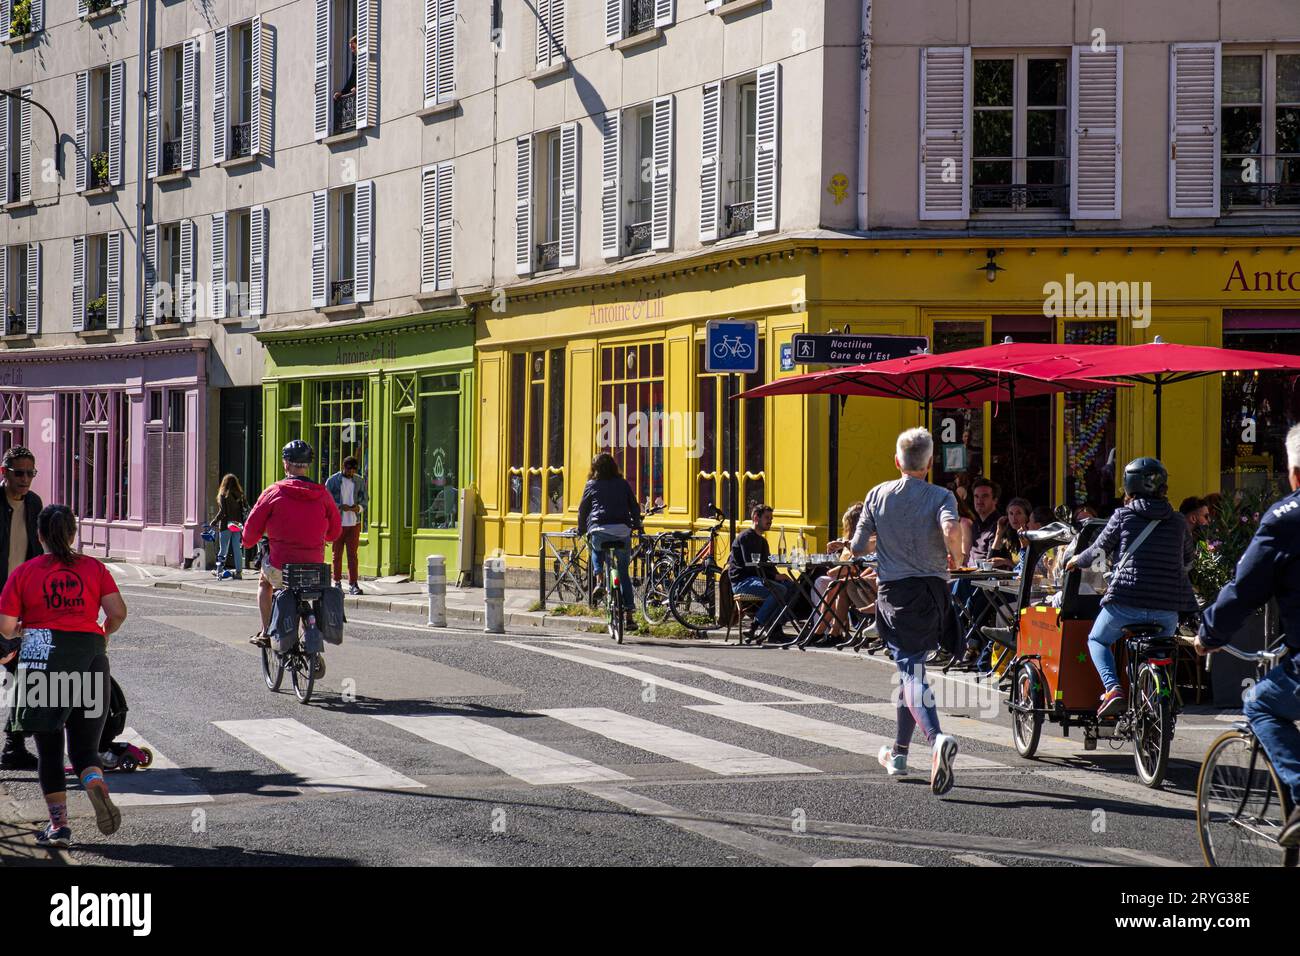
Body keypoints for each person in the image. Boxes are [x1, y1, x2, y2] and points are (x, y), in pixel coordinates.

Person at [0, 506, 127, 847]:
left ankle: (59, 827)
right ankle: (93, 781)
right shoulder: (94, 568)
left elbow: (5, 627)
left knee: (50, 752)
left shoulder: (24, 573)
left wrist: (23, 630)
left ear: (39, 535)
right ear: (73, 535)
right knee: (85, 750)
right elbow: (117, 612)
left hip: (44, 661)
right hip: (89, 656)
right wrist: (103, 632)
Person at [1197, 425, 1300, 847]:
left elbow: (1244, 588)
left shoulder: (1285, 518)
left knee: (1259, 701)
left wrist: (1210, 633)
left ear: (1293, 473)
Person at [851, 427, 962, 796]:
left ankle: (936, 740)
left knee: (911, 672)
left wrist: (884, 537)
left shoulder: (878, 494)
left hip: (897, 592)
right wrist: (956, 556)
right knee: (909, 669)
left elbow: (856, 546)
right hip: (934, 590)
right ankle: (899, 753)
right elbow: (951, 530)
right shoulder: (941, 495)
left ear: (897, 461)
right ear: (929, 463)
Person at [1066, 458, 1197, 718]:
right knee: (1158, 651)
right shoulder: (1179, 521)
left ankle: (1113, 689)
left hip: (1125, 602)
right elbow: (1188, 560)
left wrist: (1075, 561)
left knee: (1098, 639)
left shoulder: (1123, 516)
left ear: (1128, 486)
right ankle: (1160, 693)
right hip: (1167, 608)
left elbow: (1098, 550)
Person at [242, 441, 342, 662]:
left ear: (285, 463)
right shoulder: (323, 494)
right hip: (315, 568)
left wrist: (249, 542)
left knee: (264, 583)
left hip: (282, 567)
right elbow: (334, 532)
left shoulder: (274, 492)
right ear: (308, 466)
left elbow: (250, 534)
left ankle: (267, 631)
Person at [0, 446, 42, 771]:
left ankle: (14, 745)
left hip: (18, 607)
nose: (25, 479)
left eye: (30, 473)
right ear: (4, 473)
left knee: (26, 676)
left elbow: (36, 554)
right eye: (19, 473)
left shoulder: (34, 504)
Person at [576, 453, 642, 632]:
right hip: (622, 530)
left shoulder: (592, 485)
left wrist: (581, 529)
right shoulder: (623, 483)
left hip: (599, 529)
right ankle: (629, 617)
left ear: (594, 469)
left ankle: (599, 579)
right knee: (623, 572)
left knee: (595, 549)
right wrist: (638, 526)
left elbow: (583, 510)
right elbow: (634, 506)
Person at [809, 502, 877, 642]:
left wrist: (858, 575)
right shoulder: (856, 541)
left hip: (862, 576)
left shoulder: (865, 540)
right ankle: (827, 631)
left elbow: (851, 567)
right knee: (833, 584)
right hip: (859, 575)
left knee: (831, 583)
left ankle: (828, 631)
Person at [728, 503, 792, 642]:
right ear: (756, 518)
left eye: (771, 518)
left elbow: (767, 565)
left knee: (791, 586)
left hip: (757, 579)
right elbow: (750, 566)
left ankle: (776, 628)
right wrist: (774, 576)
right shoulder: (745, 537)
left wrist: (779, 576)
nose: (770, 521)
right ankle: (754, 626)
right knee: (779, 590)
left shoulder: (763, 541)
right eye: (767, 517)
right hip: (742, 581)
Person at [325, 457, 368, 595]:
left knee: (352, 555)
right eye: (349, 469)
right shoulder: (332, 481)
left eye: (354, 470)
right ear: (343, 467)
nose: (351, 472)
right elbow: (326, 501)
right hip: (338, 523)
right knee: (336, 555)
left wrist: (359, 508)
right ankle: (337, 582)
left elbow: (365, 500)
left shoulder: (359, 481)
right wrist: (339, 507)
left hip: (354, 523)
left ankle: (353, 584)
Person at [210, 474, 247, 581]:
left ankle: (219, 571)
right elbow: (244, 509)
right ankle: (239, 572)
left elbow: (223, 512)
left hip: (226, 524)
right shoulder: (240, 495)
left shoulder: (223, 495)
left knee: (223, 549)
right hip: (237, 524)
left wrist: (214, 521)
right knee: (237, 549)